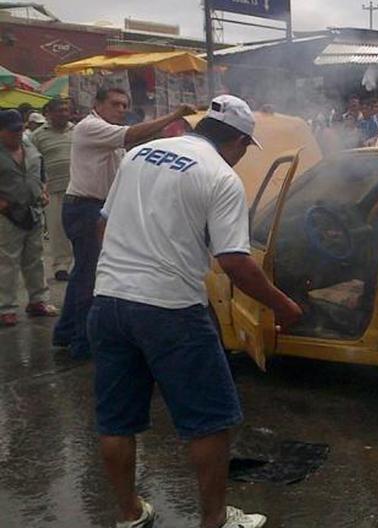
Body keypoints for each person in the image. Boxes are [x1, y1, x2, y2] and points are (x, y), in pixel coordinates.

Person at [91, 95, 303, 528]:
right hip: (171, 309)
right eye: (245, 148)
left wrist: (123, 270)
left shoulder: (137, 154)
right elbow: (235, 262)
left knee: (115, 421)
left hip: (109, 301)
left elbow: (103, 225)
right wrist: (284, 304)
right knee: (210, 421)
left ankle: (130, 514)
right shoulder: (219, 176)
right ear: (239, 141)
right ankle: (215, 520)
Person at [53, 87, 195, 359]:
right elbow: (132, 135)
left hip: (95, 207)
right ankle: (82, 343)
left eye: (124, 106)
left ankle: (66, 332)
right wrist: (174, 115)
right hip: (86, 207)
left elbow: (140, 141)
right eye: (115, 104)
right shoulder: (91, 127)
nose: (120, 110)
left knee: (83, 271)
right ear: (98, 104)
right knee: (91, 275)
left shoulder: (107, 134)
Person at [0, 110, 58, 326]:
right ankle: (5, 307)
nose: (17, 134)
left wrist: (44, 190)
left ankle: (38, 300)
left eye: (19, 129)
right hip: (7, 213)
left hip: (33, 210)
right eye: (11, 131)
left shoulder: (29, 146)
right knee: (7, 262)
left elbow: (42, 172)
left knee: (35, 259)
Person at [30, 98, 75, 281]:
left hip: (78, 188)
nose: (64, 113)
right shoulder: (38, 135)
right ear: (49, 113)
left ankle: (79, 265)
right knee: (58, 230)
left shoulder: (78, 131)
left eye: (66, 110)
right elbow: (32, 163)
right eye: (60, 110)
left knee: (78, 230)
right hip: (53, 189)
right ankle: (61, 266)